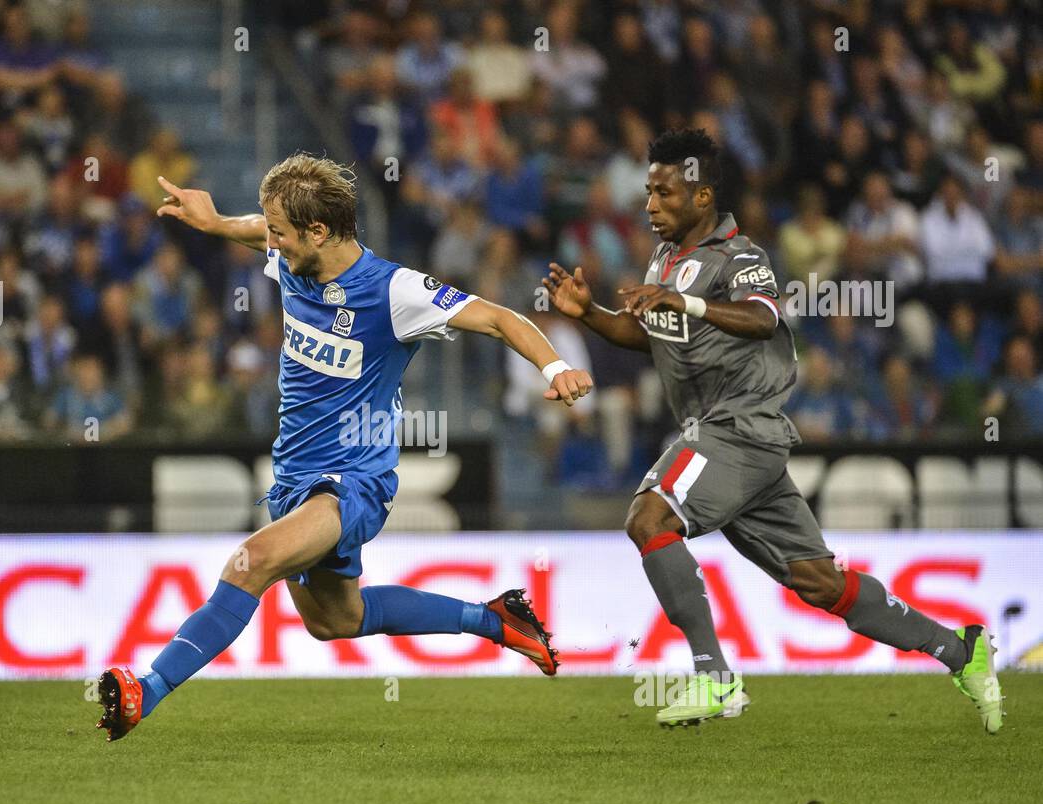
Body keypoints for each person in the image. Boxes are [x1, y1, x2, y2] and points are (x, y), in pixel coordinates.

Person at [94, 153, 593, 741]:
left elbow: (500, 318)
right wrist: (217, 223)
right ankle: (495, 620)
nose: (270, 240)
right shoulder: (292, 258)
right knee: (337, 621)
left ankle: (144, 692)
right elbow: (258, 233)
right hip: (294, 481)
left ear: (319, 232)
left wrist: (554, 365)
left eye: (279, 229)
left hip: (353, 484)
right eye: (269, 228)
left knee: (249, 564)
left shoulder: (396, 292)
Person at [544, 128, 1002, 732]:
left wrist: (690, 304)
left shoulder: (741, 257)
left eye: (663, 193)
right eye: (648, 192)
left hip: (735, 429)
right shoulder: (666, 259)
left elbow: (762, 318)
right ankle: (961, 651)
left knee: (648, 517)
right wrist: (593, 316)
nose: (650, 204)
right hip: (735, 446)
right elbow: (650, 331)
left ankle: (714, 675)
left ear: (702, 197)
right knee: (820, 583)